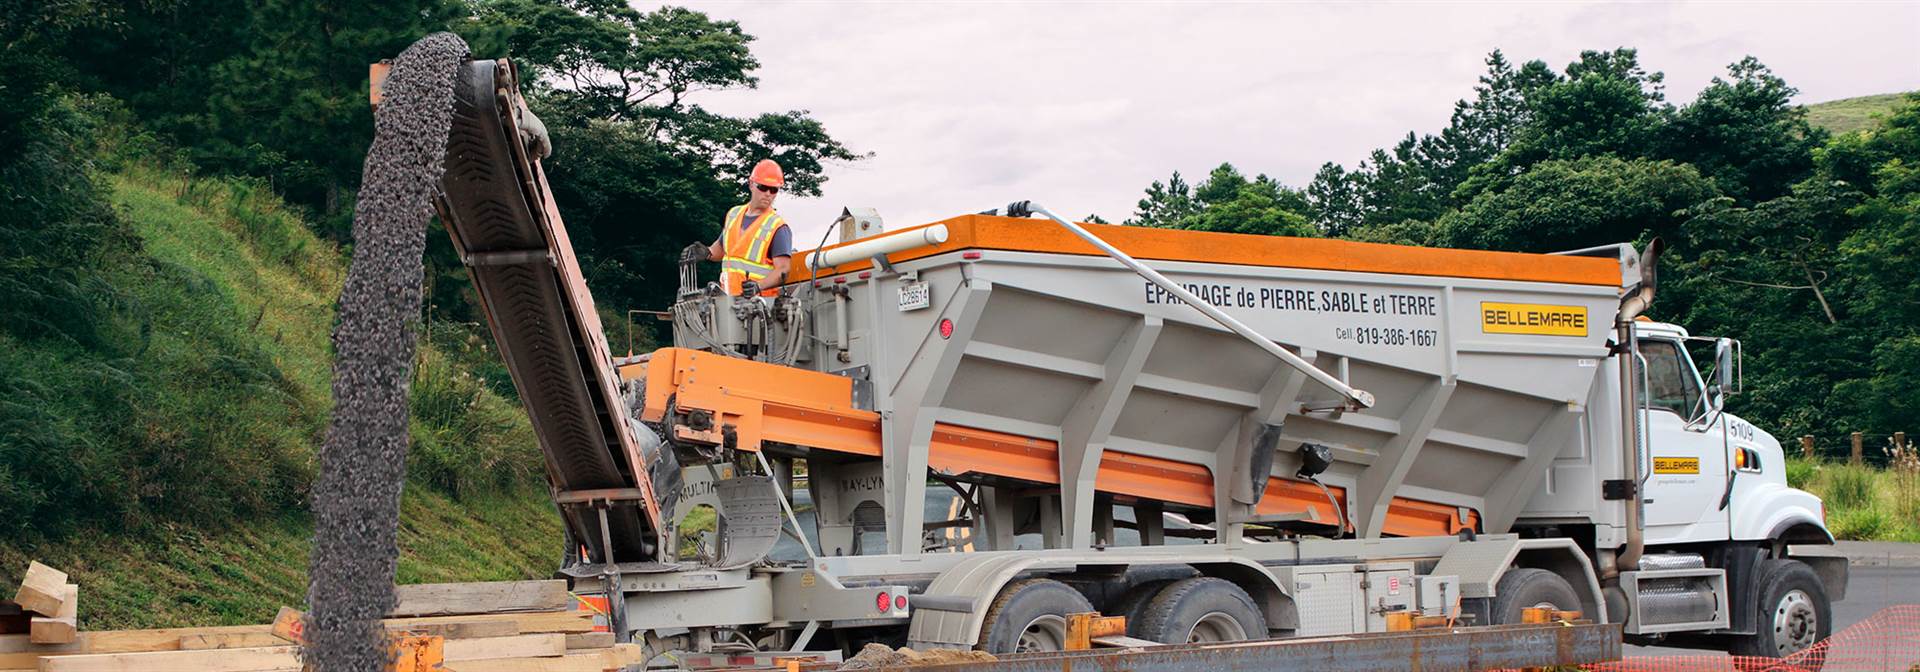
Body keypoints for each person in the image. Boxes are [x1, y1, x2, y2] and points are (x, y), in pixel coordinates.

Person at [686, 159, 792, 297]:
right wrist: (707, 252)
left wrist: (758, 286)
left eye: (773, 190)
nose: (768, 193)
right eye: (763, 187)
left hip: (759, 306)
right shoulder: (734, 214)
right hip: (730, 300)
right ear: (751, 184)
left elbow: (783, 270)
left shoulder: (777, 226)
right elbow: (722, 250)